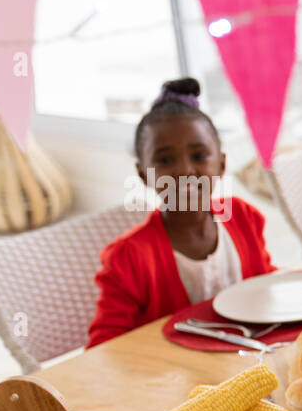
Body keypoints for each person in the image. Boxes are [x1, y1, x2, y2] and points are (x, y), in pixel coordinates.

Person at [86, 79, 274, 348]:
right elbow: (103, 349)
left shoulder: (243, 218)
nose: (185, 171)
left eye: (199, 156)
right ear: (143, 174)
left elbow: (266, 291)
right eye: (164, 160)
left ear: (221, 164)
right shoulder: (127, 259)